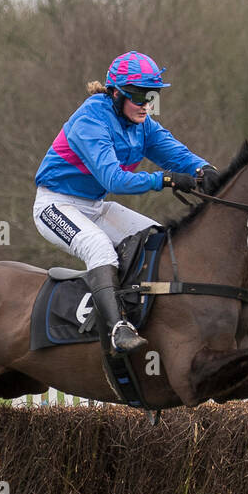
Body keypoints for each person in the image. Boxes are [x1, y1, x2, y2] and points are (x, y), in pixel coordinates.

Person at [33, 51, 217, 355]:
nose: (146, 104)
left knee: (159, 239)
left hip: (95, 205)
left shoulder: (142, 123)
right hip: (55, 205)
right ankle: (117, 328)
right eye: (139, 96)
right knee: (100, 248)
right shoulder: (90, 119)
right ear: (116, 93)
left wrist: (206, 171)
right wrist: (166, 180)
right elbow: (114, 180)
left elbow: (178, 155)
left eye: (152, 95)